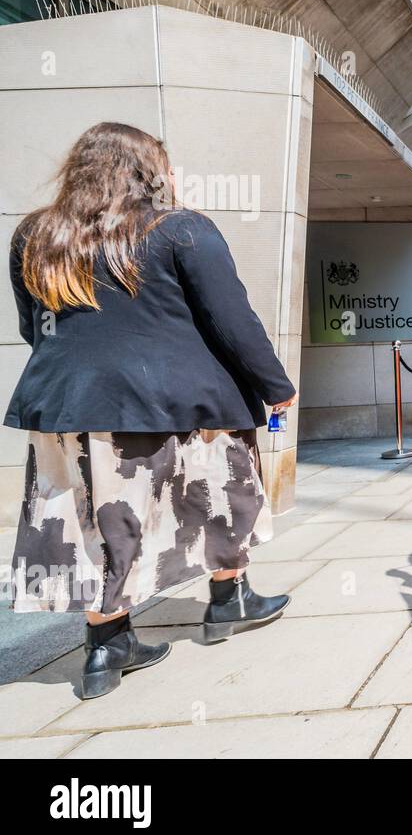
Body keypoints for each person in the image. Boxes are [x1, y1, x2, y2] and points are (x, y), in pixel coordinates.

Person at [5, 122, 296, 698]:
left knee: (96, 517)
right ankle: (228, 600)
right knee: (217, 490)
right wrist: (274, 386)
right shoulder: (180, 229)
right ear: (147, 170)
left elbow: (31, 327)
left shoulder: (35, 236)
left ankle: (107, 645)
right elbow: (231, 320)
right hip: (186, 399)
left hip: (72, 402)